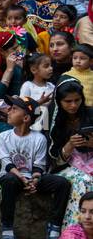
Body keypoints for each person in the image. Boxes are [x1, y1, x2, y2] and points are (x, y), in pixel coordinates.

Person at [0, 97, 68, 239]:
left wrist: (34, 180)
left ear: (26, 117)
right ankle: (7, 226)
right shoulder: (3, 137)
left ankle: (54, 225)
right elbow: (7, 163)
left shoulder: (39, 138)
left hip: (31, 179)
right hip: (12, 177)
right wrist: (22, 178)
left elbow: (38, 166)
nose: (9, 111)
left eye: (14, 109)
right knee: (8, 180)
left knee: (62, 183)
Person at [50, 79, 93, 225]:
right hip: (66, 167)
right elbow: (54, 160)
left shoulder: (90, 114)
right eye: (68, 101)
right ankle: (75, 230)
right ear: (59, 101)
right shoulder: (53, 121)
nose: (73, 105)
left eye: (77, 100)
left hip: (90, 161)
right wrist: (69, 145)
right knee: (83, 181)